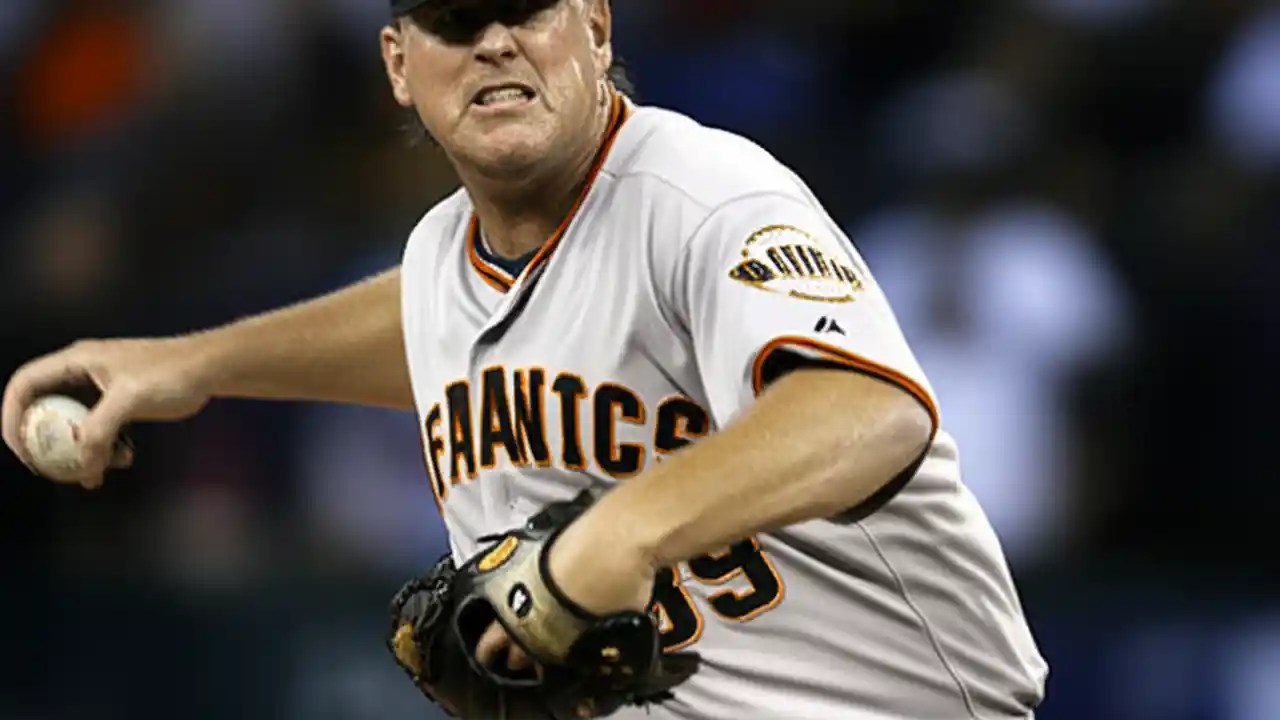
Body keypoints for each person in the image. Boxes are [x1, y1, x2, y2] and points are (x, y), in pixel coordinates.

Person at [2, 1, 1048, 717]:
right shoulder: (441, 253)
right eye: (458, 18)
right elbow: (435, 320)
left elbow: (867, 413)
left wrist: (620, 530)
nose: (496, 40)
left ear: (594, 29)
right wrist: (193, 365)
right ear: (400, 67)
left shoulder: (702, 197)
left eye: (527, 9)